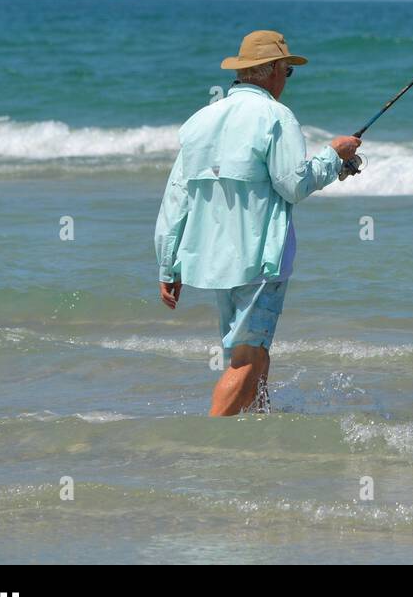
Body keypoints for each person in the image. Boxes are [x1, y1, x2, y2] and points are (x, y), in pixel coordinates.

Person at [153, 30, 361, 415]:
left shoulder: (200, 120)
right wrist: (334, 156)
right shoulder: (276, 117)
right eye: (286, 71)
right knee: (246, 357)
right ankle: (209, 446)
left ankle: (253, 437)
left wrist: (168, 265)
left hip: (214, 260)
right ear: (270, 71)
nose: (285, 80)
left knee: (252, 350)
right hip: (260, 259)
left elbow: (176, 198)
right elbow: (293, 185)